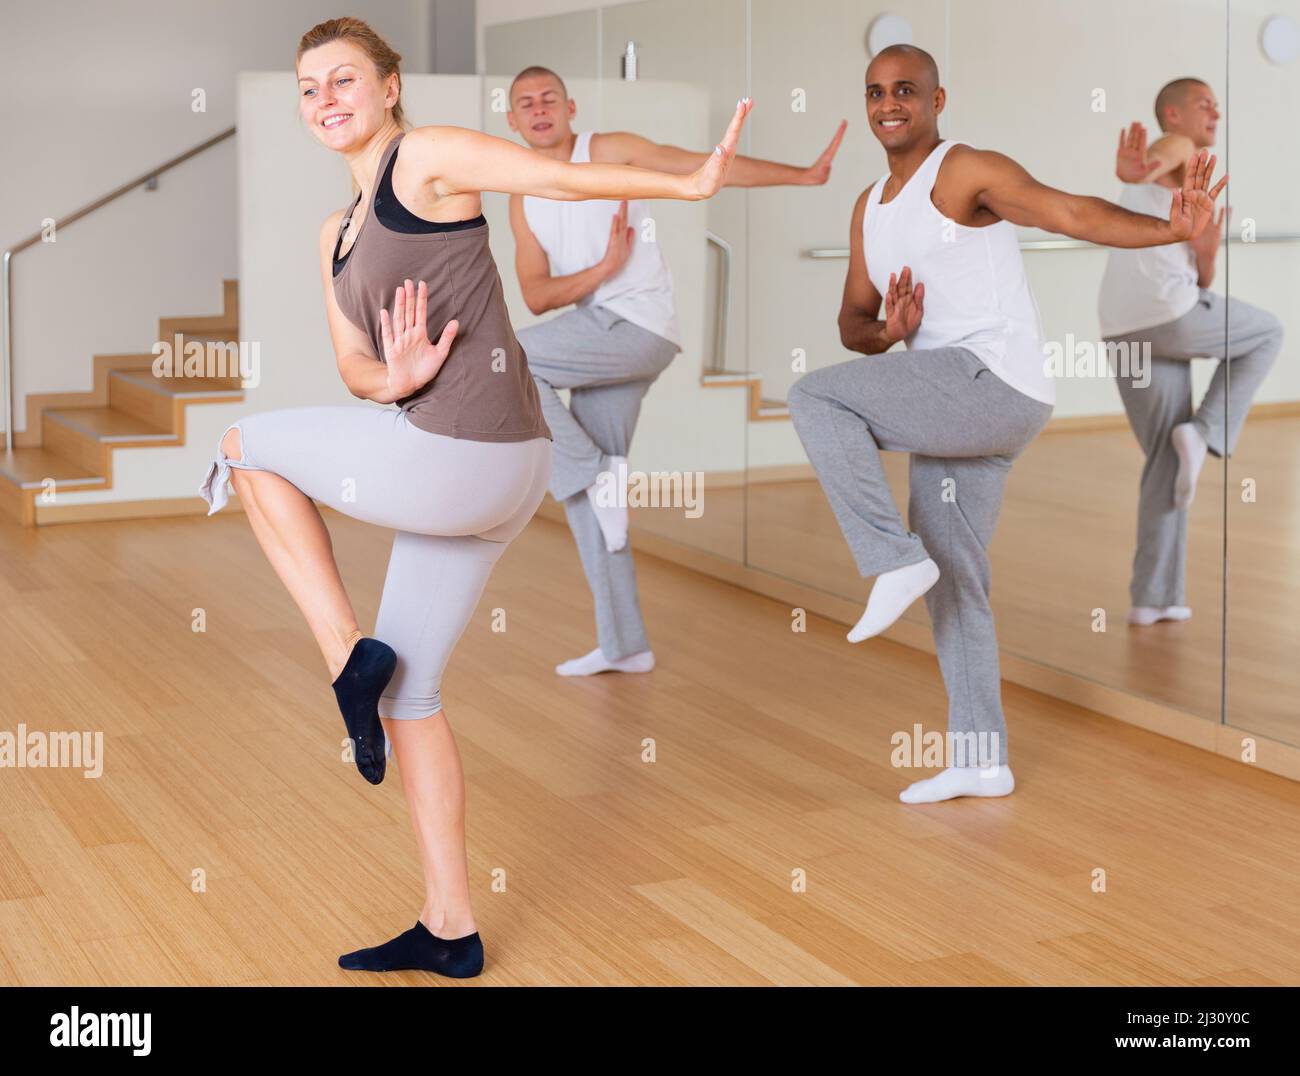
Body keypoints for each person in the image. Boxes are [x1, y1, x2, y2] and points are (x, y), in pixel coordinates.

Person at [196, 16, 750, 977]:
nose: (326, 101)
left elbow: (557, 176)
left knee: (244, 448)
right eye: (309, 89)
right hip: (494, 470)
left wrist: (688, 183)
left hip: (466, 455)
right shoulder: (333, 234)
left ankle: (343, 666)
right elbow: (357, 370)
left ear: (389, 87)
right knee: (414, 695)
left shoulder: (427, 158)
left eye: (343, 81)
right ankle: (451, 925)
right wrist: (398, 376)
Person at [786, 45, 1225, 804]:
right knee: (954, 578)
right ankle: (980, 759)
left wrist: (1169, 231)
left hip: (989, 382)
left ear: (937, 98)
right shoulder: (869, 207)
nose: (890, 104)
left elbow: (1070, 211)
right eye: (876, 92)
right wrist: (890, 330)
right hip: (960, 406)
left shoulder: (964, 170)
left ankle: (890, 559)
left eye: (906, 91)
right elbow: (853, 325)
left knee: (815, 399)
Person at [505, 65, 846, 676]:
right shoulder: (521, 197)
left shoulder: (607, 152)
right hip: (602, 335)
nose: (538, 109)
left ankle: (588, 472)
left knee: (507, 360)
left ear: (570, 106)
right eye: (525, 103)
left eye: (549, 98)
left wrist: (803, 175)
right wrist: (604, 269)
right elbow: (535, 294)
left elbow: (699, 165)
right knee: (592, 506)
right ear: (512, 120)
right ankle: (624, 644)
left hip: (638, 329)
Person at [1101, 85, 1283, 627]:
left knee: (1166, 457)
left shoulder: (1182, 185)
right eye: (1205, 104)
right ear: (1173, 114)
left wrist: (1206, 252)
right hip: (1167, 313)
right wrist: (1140, 169)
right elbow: (1166, 156)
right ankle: (1205, 432)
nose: (1216, 111)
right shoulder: (1177, 147)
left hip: (1121, 327)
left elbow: (1201, 275)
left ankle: (1153, 598)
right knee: (1268, 332)